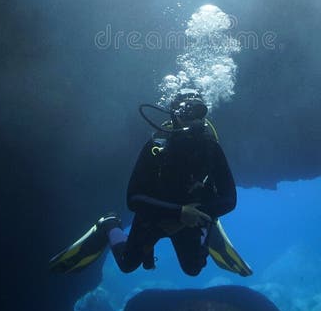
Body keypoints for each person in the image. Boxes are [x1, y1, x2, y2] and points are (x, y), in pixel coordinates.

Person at [50, 89, 251, 277]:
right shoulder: (156, 147)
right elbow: (133, 198)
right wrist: (179, 213)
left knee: (193, 269)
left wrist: (196, 215)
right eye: (187, 111)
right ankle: (109, 224)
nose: (194, 119)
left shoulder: (211, 149)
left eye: (199, 111)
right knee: (127, 265)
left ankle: (209, 226)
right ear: (174, 114)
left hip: (192, 216)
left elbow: (229, 199)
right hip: (155, 215)